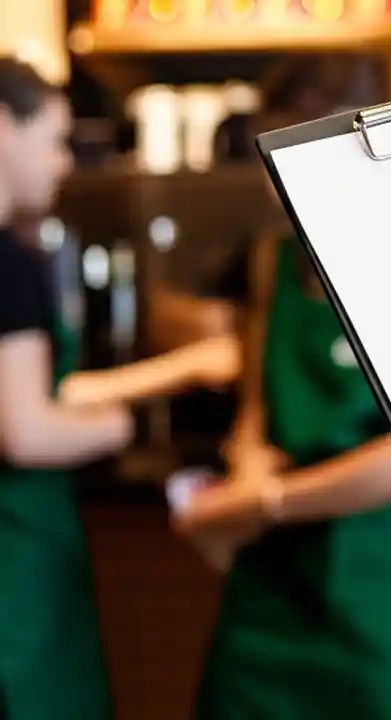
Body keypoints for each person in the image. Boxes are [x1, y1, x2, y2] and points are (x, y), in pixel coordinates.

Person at [172, 54, 391, 720]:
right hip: (273, 577)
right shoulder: (272, 259)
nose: (278, 183)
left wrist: (268, 500)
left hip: (382, 576)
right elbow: (257, 405)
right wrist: (244, 464)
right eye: (272, 154)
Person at [0, 57, 240, 719]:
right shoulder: (9, 266)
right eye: (51, 141)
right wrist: (121, 428)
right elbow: (27, 430)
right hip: (15, 569)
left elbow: (48, 391)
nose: (62, 164)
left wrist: (181, 369)